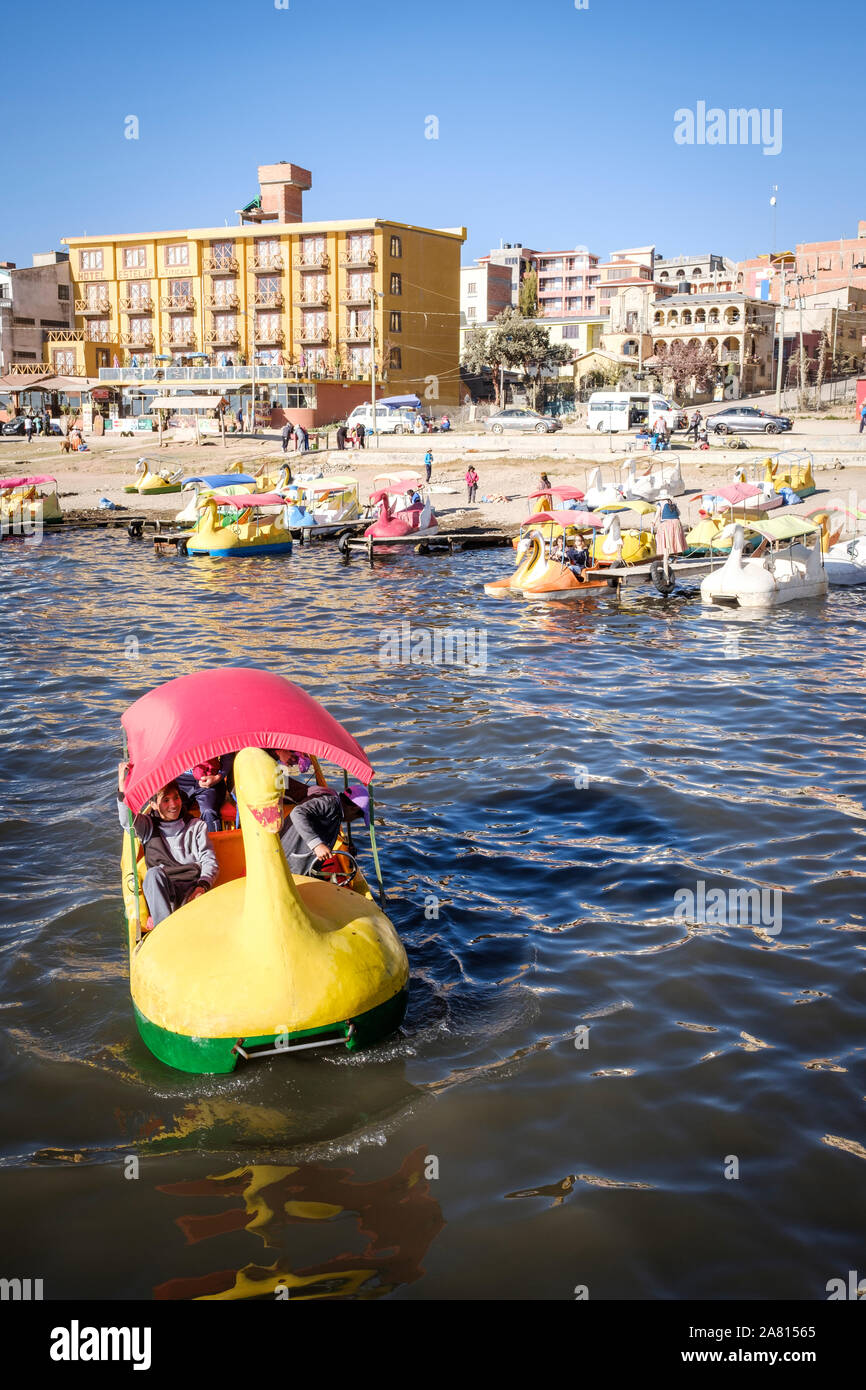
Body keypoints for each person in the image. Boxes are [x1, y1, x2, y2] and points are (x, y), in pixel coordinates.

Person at [117, 762, 218, 930]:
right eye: (165, 800)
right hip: (164, 899)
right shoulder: (148, 826)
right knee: (153, 874)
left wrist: (202, 886)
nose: (173, 804)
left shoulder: (197, 826)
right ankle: (165, 930)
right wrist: (122, 785)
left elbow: (209, 861)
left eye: (176, 797)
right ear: (154, 805)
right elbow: (127, 821)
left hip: (192, 892)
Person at [278, 781, 370, 879]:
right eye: (358, 816)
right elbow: (298, 812)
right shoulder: (330, 803)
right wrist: (317, 844)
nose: (352, 820)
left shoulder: (337, 810)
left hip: (302, 864)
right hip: (289, 862)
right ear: (354, 808)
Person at [176, 758, 229, 834]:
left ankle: (215, 843)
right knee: (175, 811)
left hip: (210, 776)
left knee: (209, 811)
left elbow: (228, 756)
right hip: (181, 778)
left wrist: (218, 777)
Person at [653, 490, 686, 558]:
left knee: (666, 540)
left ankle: (668, 557)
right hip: (676, 523)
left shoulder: (660, 503)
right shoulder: (673, 503)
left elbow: (657, 514)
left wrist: (653, 522)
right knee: (675, 540)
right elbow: (679, 513)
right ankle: (675, 557)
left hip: (666, 524)